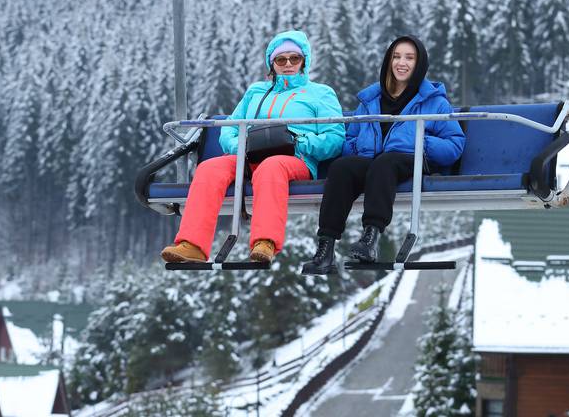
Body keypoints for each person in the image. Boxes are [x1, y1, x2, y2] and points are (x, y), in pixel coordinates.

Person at [162, 30, 345, 264]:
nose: (288, 64)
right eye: (281, 59)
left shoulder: (320, 93)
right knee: (210, 168)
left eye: (294, 58)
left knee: (272, 166)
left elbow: (335, 137)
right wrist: (239, 147)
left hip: (295, 159)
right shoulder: (257, 92)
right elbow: (230, 127)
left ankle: (265, 241)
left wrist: (300, 142)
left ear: (304, 61)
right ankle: (192, 244)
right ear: (272, 63)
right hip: (250, 156)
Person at [302, 35, 465, 274]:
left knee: (386, 162)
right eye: (397, 57)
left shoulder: (434, 103)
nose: (402, 63)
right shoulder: (371, 102)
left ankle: (370, 238)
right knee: (343, 167)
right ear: (389, 62)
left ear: (419, 64)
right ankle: (326, 247)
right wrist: (359, 149)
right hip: (375, 162)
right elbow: (349, 140)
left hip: (412, 161)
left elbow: (455, 145)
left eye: (410, 58)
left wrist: (421, 142)